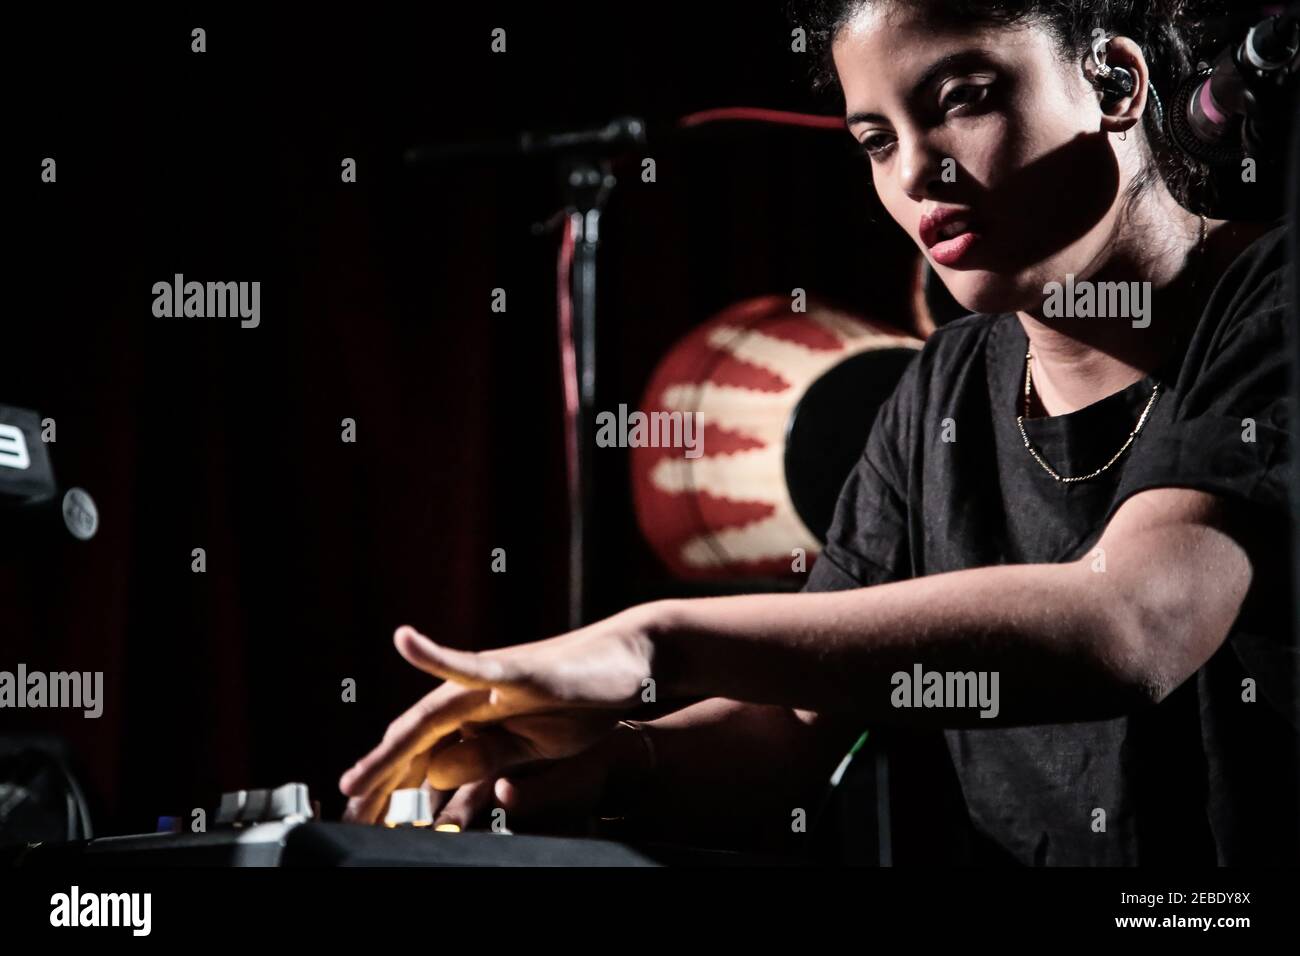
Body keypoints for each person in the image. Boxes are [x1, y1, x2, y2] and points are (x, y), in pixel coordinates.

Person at [339, 0, 1298, 865]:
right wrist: (606, 766)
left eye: (962, 99)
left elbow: (1135, 624)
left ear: (1117, 82)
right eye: (878, 140)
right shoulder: (944, 391)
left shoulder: (1275, 302)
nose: (919, 170)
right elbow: (790, 733)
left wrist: (650, 645)